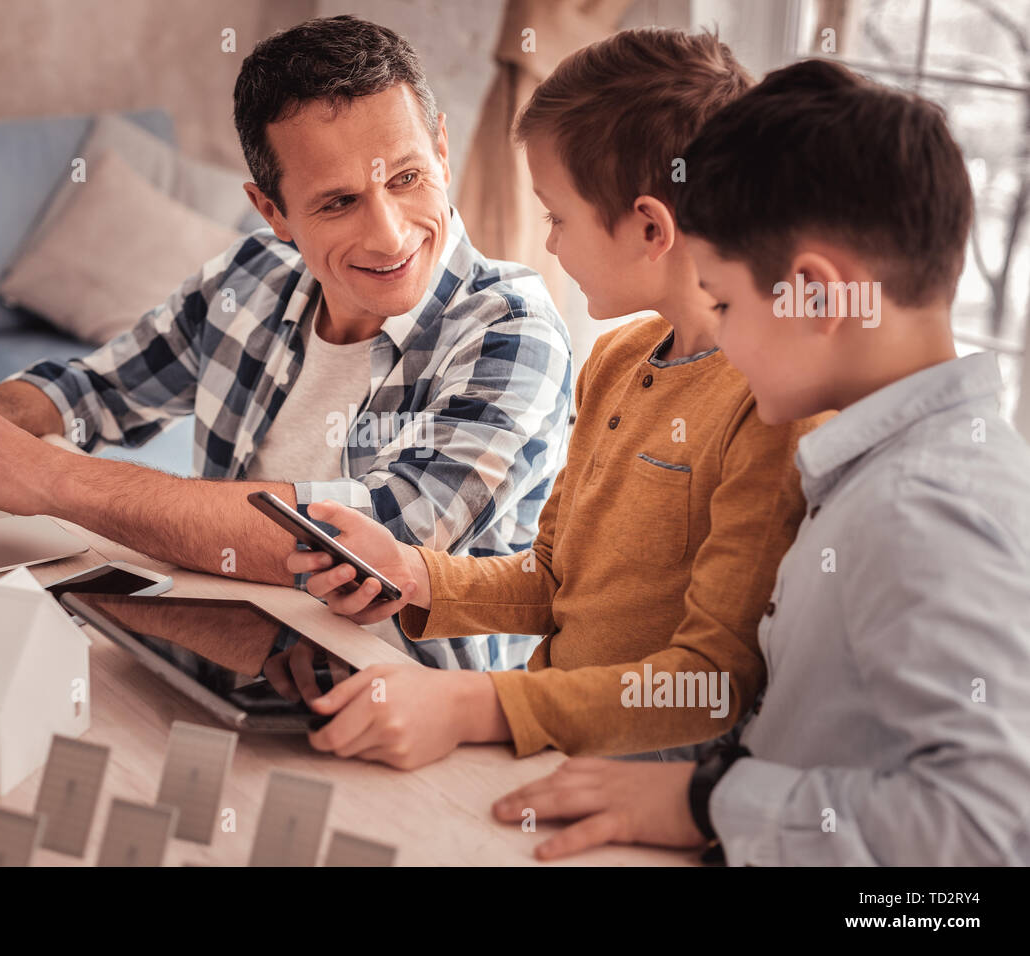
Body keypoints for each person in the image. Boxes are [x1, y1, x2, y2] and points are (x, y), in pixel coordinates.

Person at [0, 16, 572, 673]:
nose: (389, 232)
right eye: (338, 201)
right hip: (214, 647)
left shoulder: (512, 328)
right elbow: (90, 392)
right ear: (271, 210)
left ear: (441, 147)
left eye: (406, 176)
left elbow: (376, 544)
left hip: (401, 702)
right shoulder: (252, 276)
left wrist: (47, 477)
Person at [492, 59, 1030, 865]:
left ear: (815, 294)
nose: (724, 339)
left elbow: (990, 830)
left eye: (727, 303)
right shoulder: (883, 473)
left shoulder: (916, 507)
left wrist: (709, 802)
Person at [288, 29, 827, 769]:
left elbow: (708, 684)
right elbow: (550, 579)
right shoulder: (616, 359)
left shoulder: (771, 405)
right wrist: (414, 572)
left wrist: (477, 706)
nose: (551, 246)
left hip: (641, 793)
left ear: (649, 227)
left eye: (557, 218)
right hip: (550, 748)